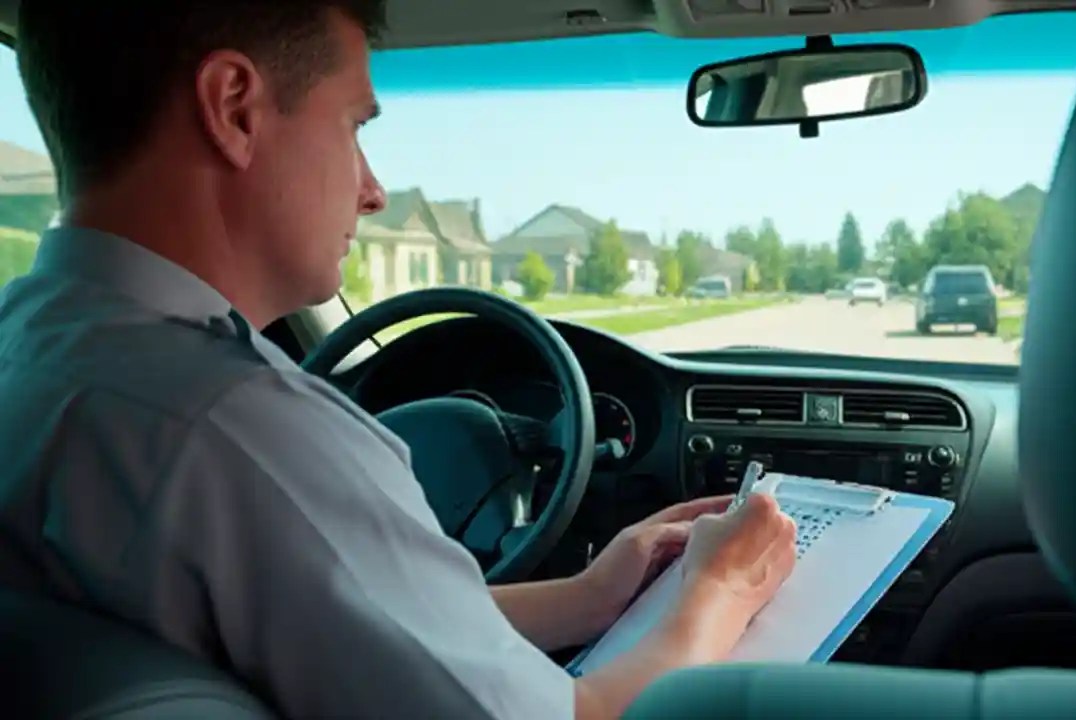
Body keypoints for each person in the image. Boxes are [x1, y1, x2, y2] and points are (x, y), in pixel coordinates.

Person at [0, 2, 798, 719]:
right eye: (354, 126)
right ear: (235, 108)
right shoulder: (246, 435)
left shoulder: (32, 348)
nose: (373, 191)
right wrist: (719, 591)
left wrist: (592, 596)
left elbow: (358, 628)